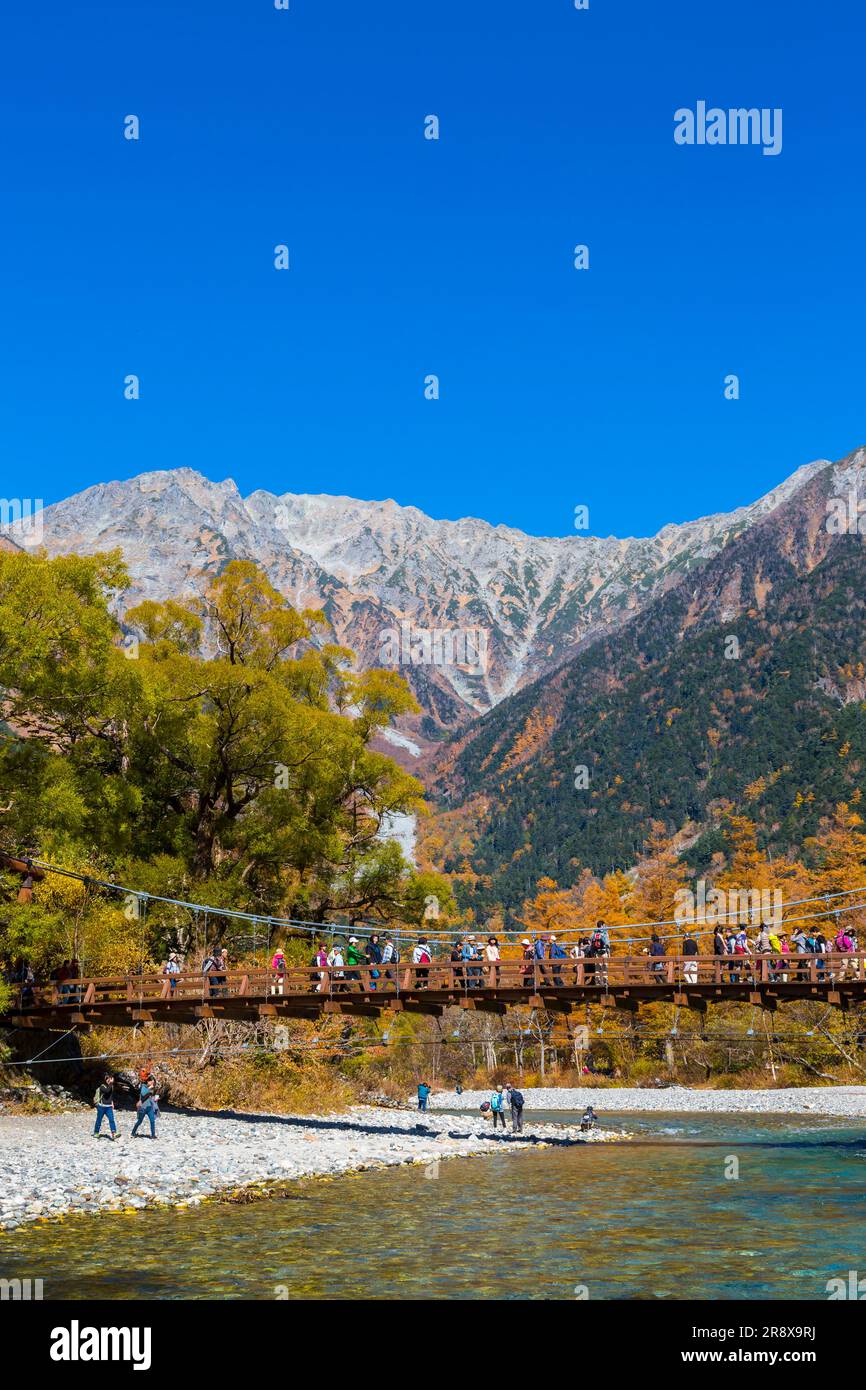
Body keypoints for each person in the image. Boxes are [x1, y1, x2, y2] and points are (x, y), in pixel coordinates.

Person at [131, 1073, 158, 1140]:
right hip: (142, 1108)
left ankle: (153, 1135)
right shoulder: (143, 1086)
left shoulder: (151, 1088)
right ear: (148, 1081)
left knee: (152, 1120)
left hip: (149, 1107)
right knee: (140, 1121)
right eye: (152, 1082)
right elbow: (143, 1095)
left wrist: (155, 1099)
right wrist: (149, 1088)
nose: (152, 1083)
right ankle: (133, 1132)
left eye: (153, 1083)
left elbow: (150, 1096)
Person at [93, 1073, 119, 1140]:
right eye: (107, 1078)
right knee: (99, 1120)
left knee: (111, 1120)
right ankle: (96, 1132)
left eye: (109, 1078)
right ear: (105, 1080)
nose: (108, 1080)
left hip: (109, 1107)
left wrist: (112, 1103)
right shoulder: (102, 1086)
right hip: (101, 1107)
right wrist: (111, 1083)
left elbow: (110, 1095)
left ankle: (114, 1133)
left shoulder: (111, 1086)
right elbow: (107, 1091)